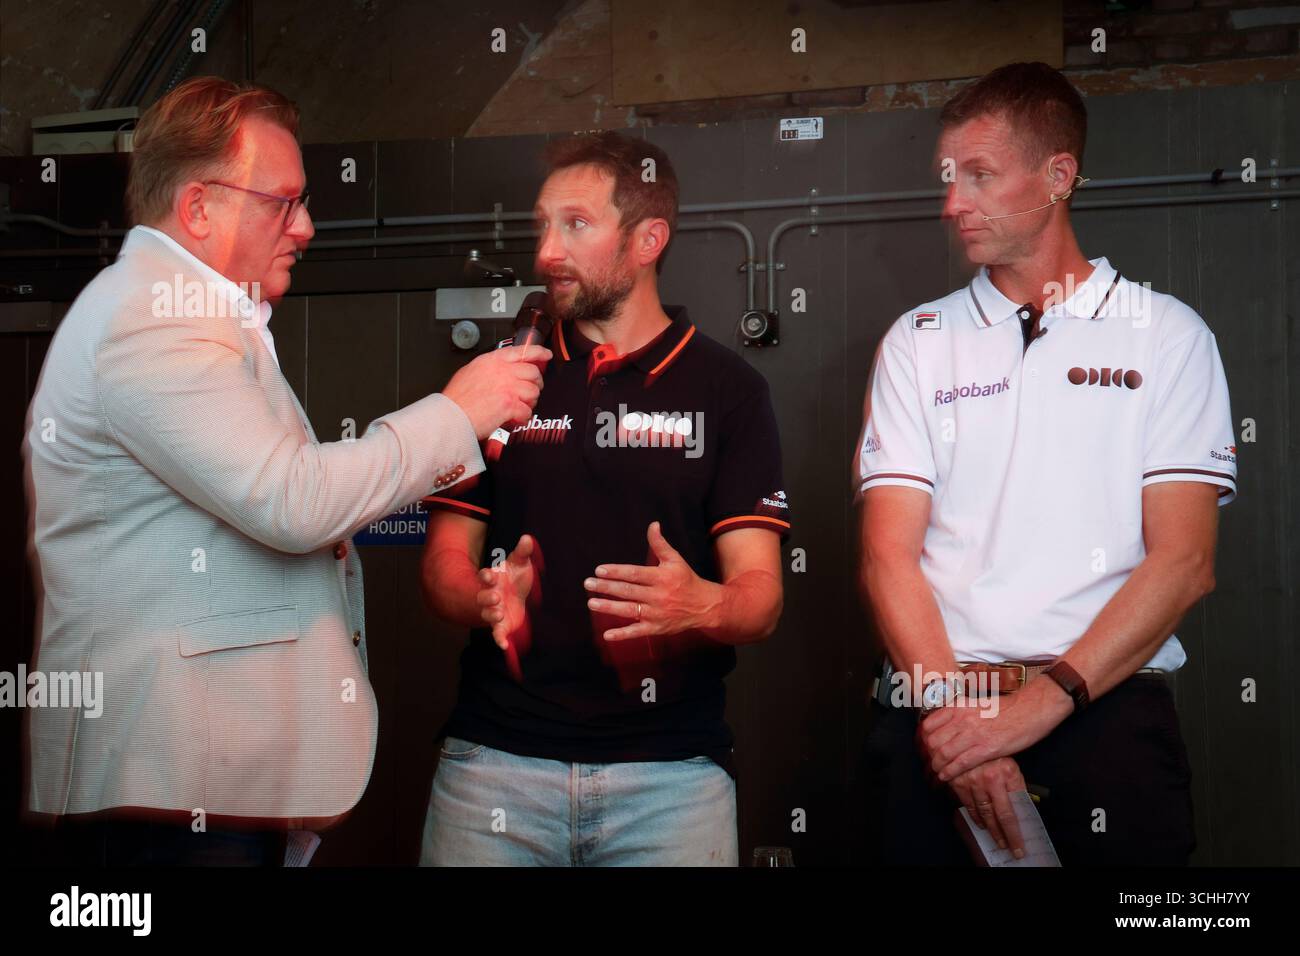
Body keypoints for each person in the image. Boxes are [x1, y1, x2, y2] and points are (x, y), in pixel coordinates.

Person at [22, 77, 546, 866]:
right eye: (283, 202)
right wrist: (457, 412)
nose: (305, 227)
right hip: (172, 788)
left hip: (206, 784)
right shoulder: (156, 319)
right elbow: (294, 500)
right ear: (198, 208)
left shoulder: (193, 311)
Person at [856, 62, 1236, 866]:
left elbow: (1186, 561)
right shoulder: (917, 341)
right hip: (938, 714)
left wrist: (1040, 706)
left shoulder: (1166, 335)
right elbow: (887, 556)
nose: (953, 203)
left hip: (1106, 720)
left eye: (980, 176)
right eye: (950, 178)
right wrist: (962, 725)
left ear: (1059, 175)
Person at [418, 131, 789, 866]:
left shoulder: (729, 390)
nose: (547, 252)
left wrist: (700, 604)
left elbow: (762, 597)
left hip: (671, 784)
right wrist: (484, 598)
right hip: (494, 768)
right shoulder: (497, 380)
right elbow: (441, 569)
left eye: (576, 225)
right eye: (542, 226)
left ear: (649, 238)